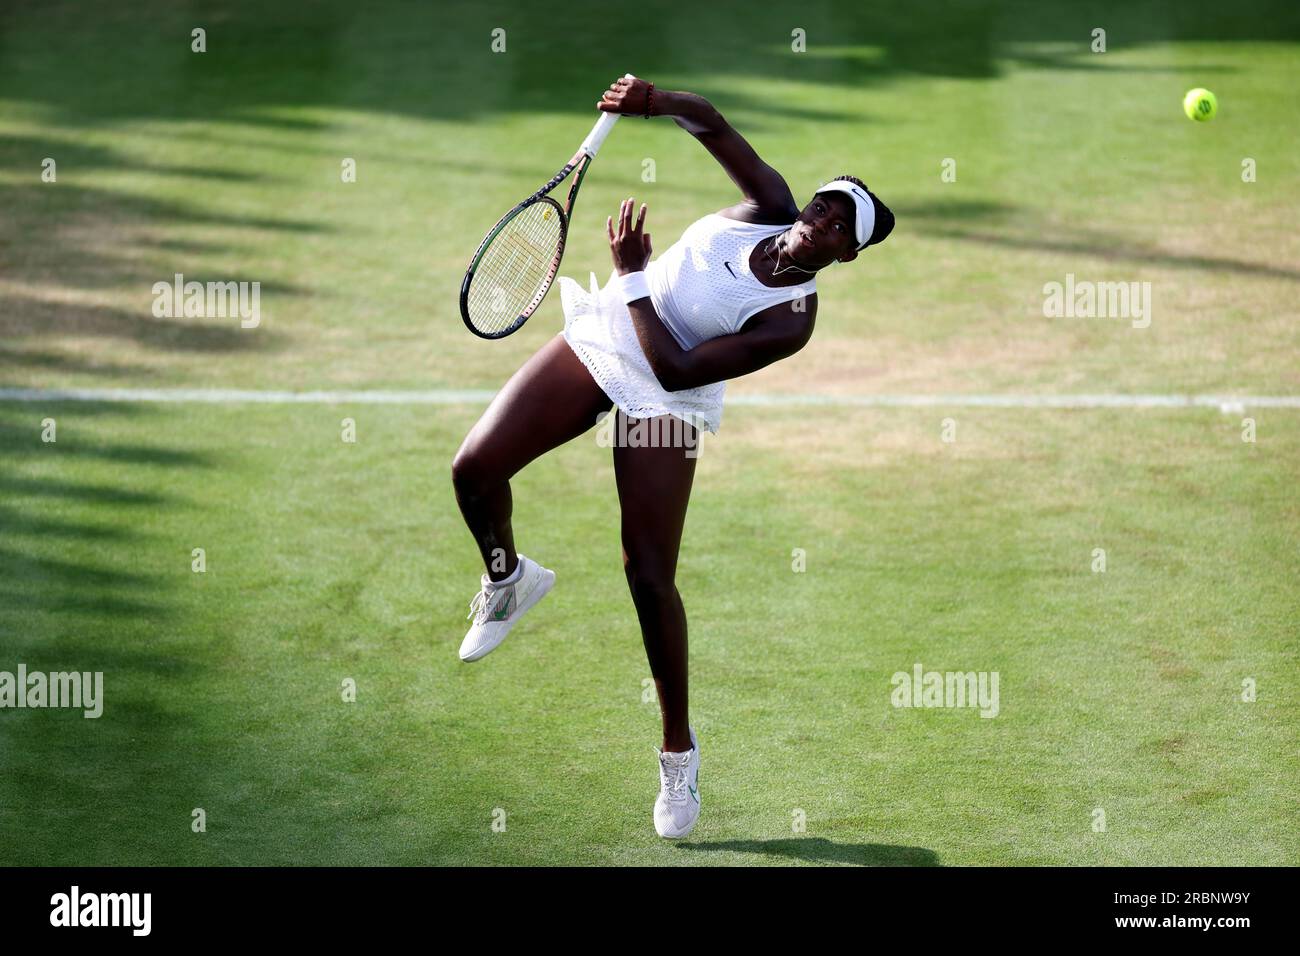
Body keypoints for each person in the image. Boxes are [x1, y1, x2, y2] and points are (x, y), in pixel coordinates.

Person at [451, 76, 895, 838]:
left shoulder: (791, 321)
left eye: (835, 223)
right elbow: (713, 124)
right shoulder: (767, 204)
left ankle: (678, 752)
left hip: (668, 394)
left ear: (847, 254)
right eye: (822, 202)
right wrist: (656, 100)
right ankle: (508, 578)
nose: (817, 217)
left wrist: (627, 273)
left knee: (649, 577)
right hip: (610, 333)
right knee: (473, 470)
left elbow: (676, 372)